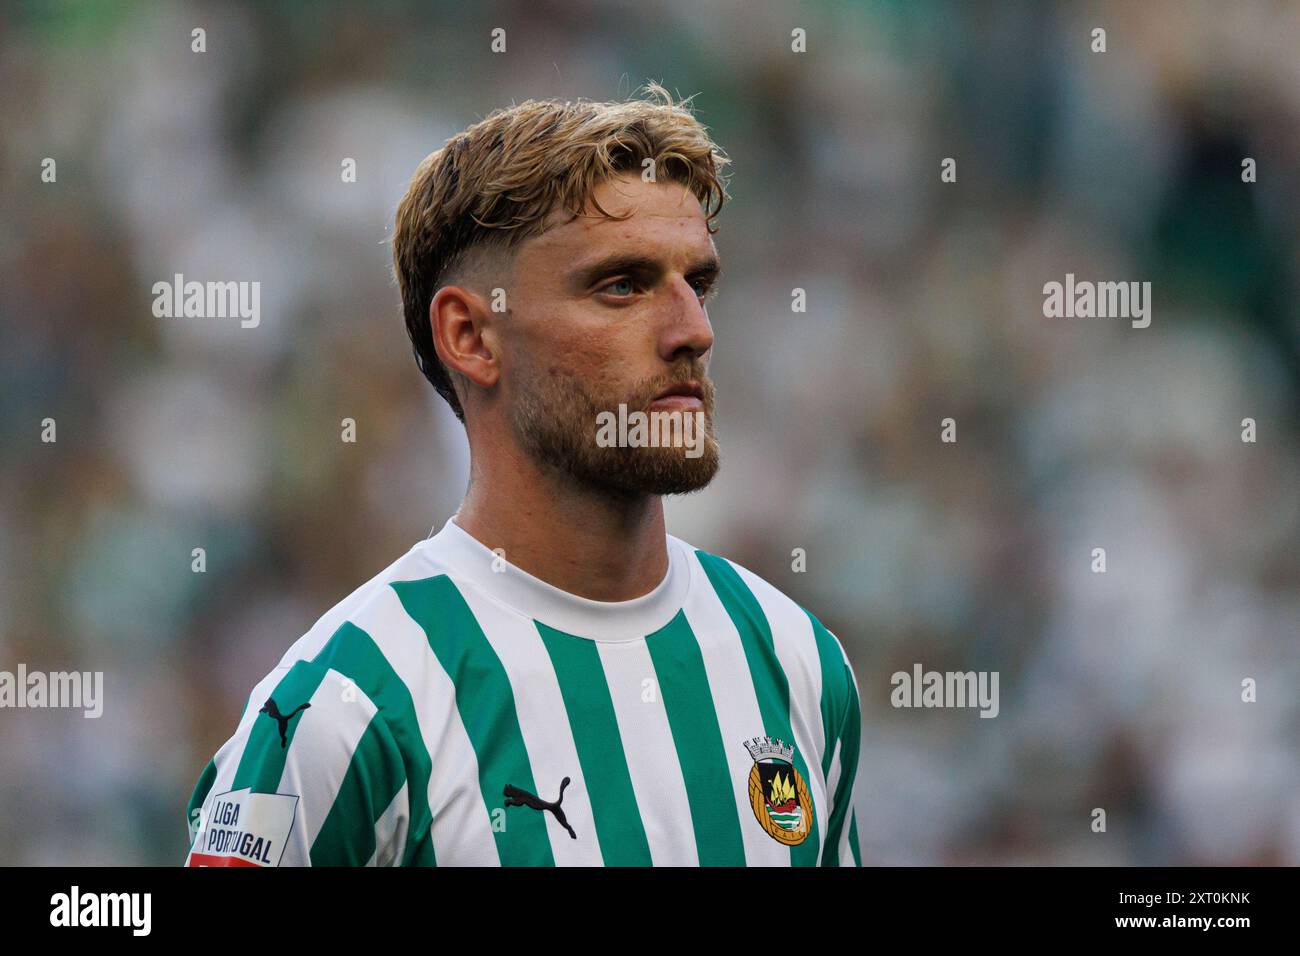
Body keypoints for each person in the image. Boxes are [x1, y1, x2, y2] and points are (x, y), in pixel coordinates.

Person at [184, 84, 862, 866]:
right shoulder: (346, 705)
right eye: (622, 286)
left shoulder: (796, 662)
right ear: (470, 335)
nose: (693, 331)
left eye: (697, 284)